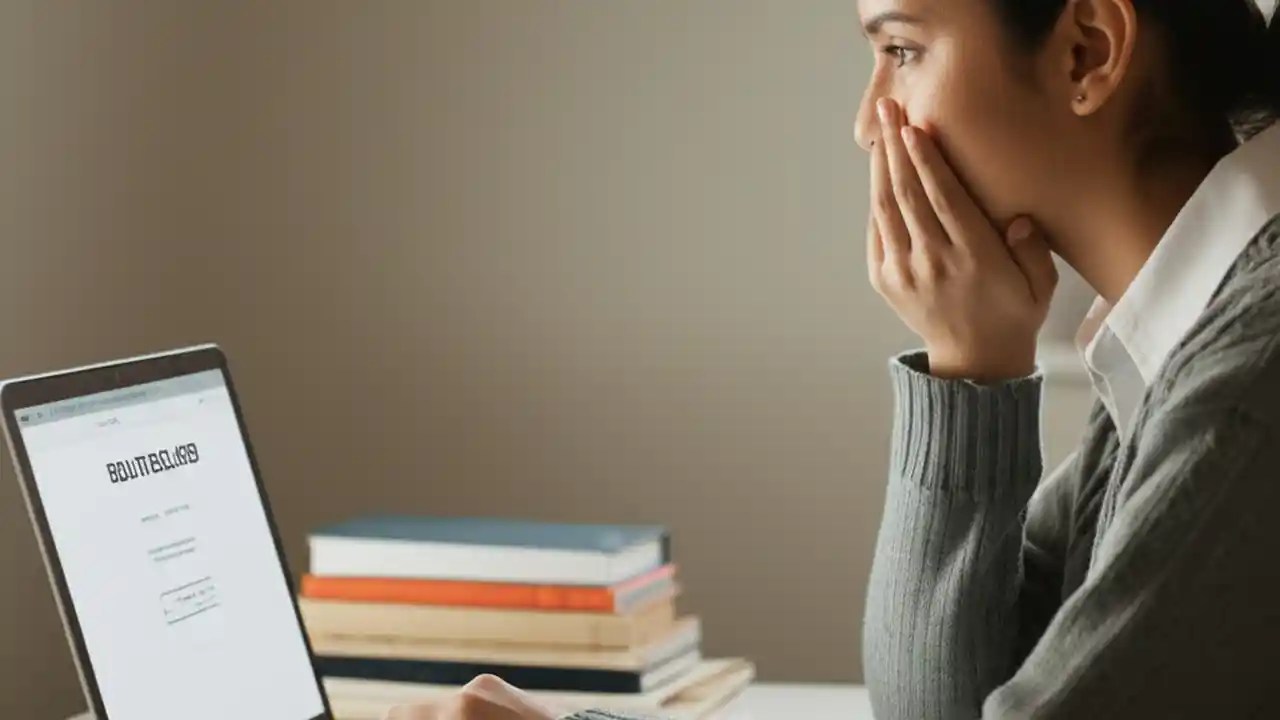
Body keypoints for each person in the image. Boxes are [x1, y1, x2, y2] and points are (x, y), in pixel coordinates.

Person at [386, 0, 1280, 717]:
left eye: (900, 50)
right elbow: (938, 707)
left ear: (1086, 51)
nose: (865, 124)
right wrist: (971, 363)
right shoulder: (1178, 342)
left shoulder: (1250, 376)